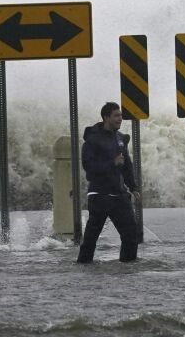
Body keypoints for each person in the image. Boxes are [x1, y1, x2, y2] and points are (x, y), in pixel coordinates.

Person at [76, 102, 141, 263]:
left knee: (131, 233)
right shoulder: (93, 139)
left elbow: (126, 166)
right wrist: (112, 163)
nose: (120, 118)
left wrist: (133, 187)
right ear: (106, 117)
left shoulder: (120, 139)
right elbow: (88, 166)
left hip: (119, 194)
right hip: (99, 195)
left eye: (120, 115)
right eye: (116, 115)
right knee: (91, 237)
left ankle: (128, 267)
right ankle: (83, 267)